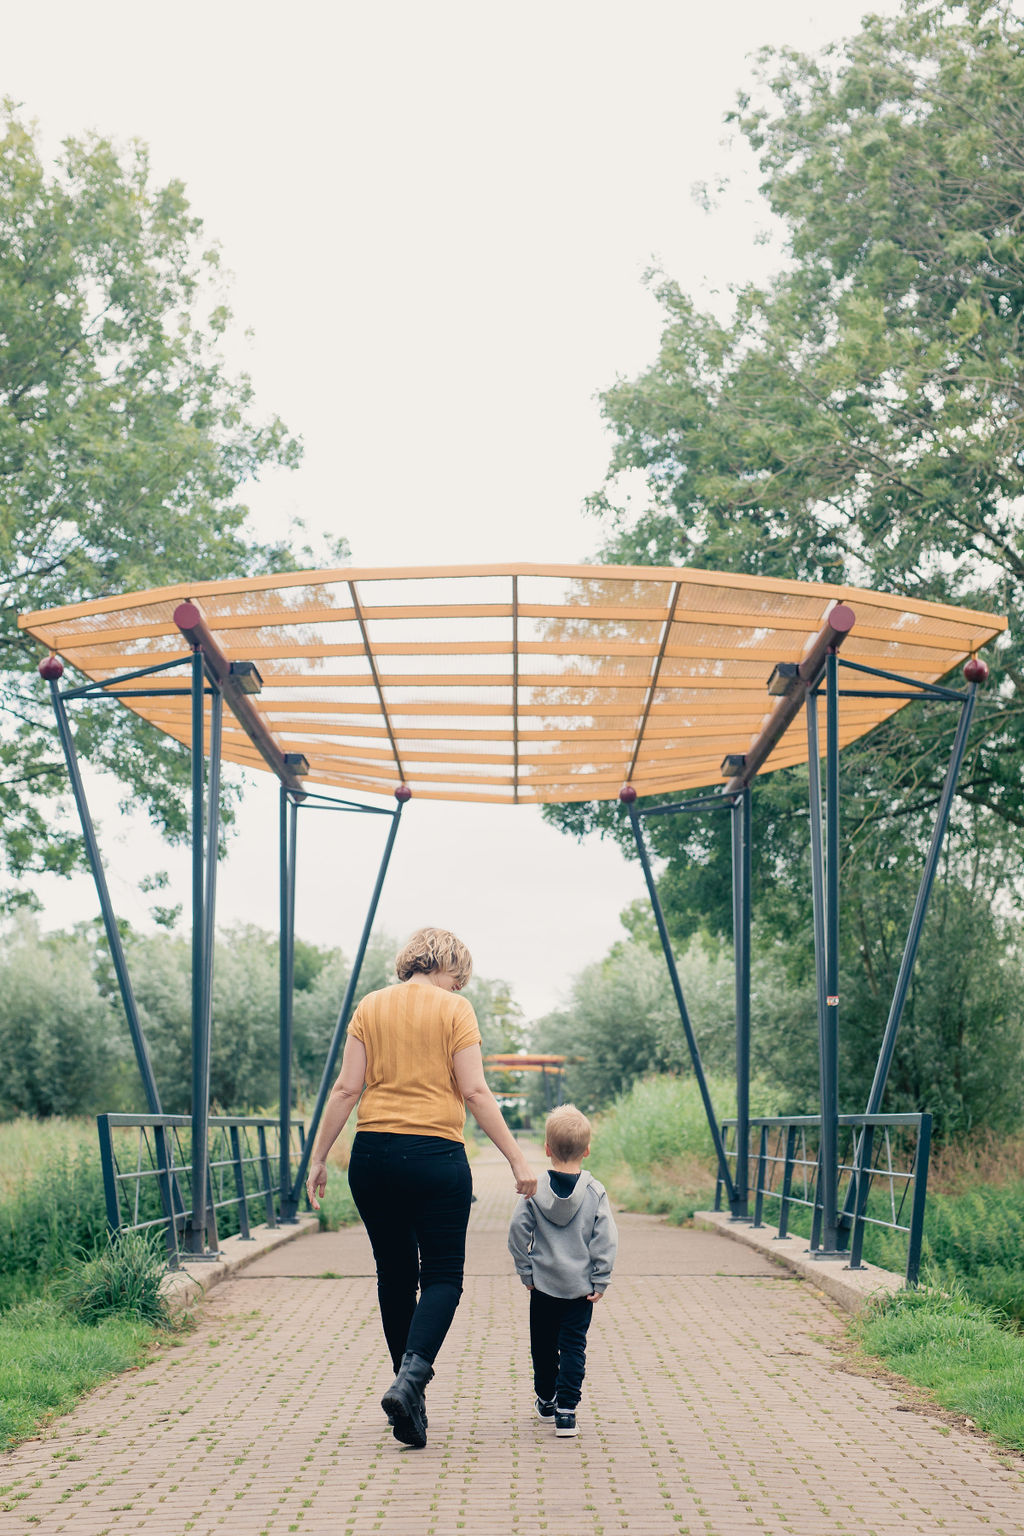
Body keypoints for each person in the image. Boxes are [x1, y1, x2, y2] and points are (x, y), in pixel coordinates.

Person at [305, 927, 536, 1449]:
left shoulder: (370, 1005)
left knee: (394, 1275)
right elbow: (475, 1091)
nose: (458, 987)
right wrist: (517, 1158)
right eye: (459, 978)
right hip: (435, 1156)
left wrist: (319, 1158)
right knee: (443, 1277)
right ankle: (410, 1383)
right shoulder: (456, 1010)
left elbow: (346, 1088)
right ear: (445, 964)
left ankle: (407, 1395)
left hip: (372, 1157)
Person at [507, 1104, 618, 1438]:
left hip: (543, 1286)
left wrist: (527, 1272)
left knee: (542, 1345)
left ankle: (546, 1400)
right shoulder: (595, 1192)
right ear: (587, 1150)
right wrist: (601, 1278)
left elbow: (517, 1232)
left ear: (546, 1148)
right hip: (580, 1288)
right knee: (573, 1347)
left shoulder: (533, 1189)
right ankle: (567, 1411)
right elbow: (605, 1238)